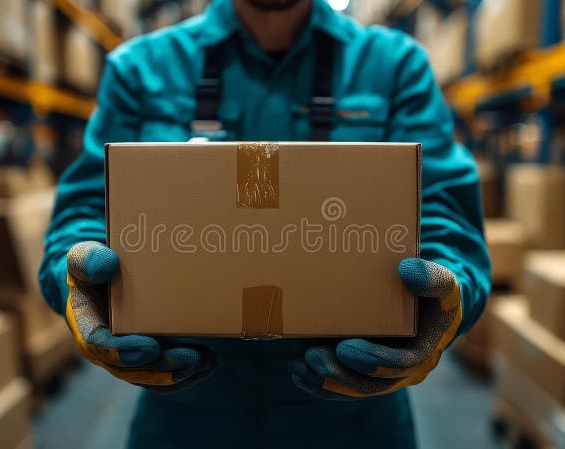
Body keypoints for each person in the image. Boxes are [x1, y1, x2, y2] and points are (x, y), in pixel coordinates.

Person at [38, 0, 491, 447]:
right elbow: (85, 211)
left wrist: (442, 299)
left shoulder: (393, 66)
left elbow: (443, 211)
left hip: (352, 415)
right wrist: (79, 287)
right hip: (189, 415)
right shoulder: (141, 68)